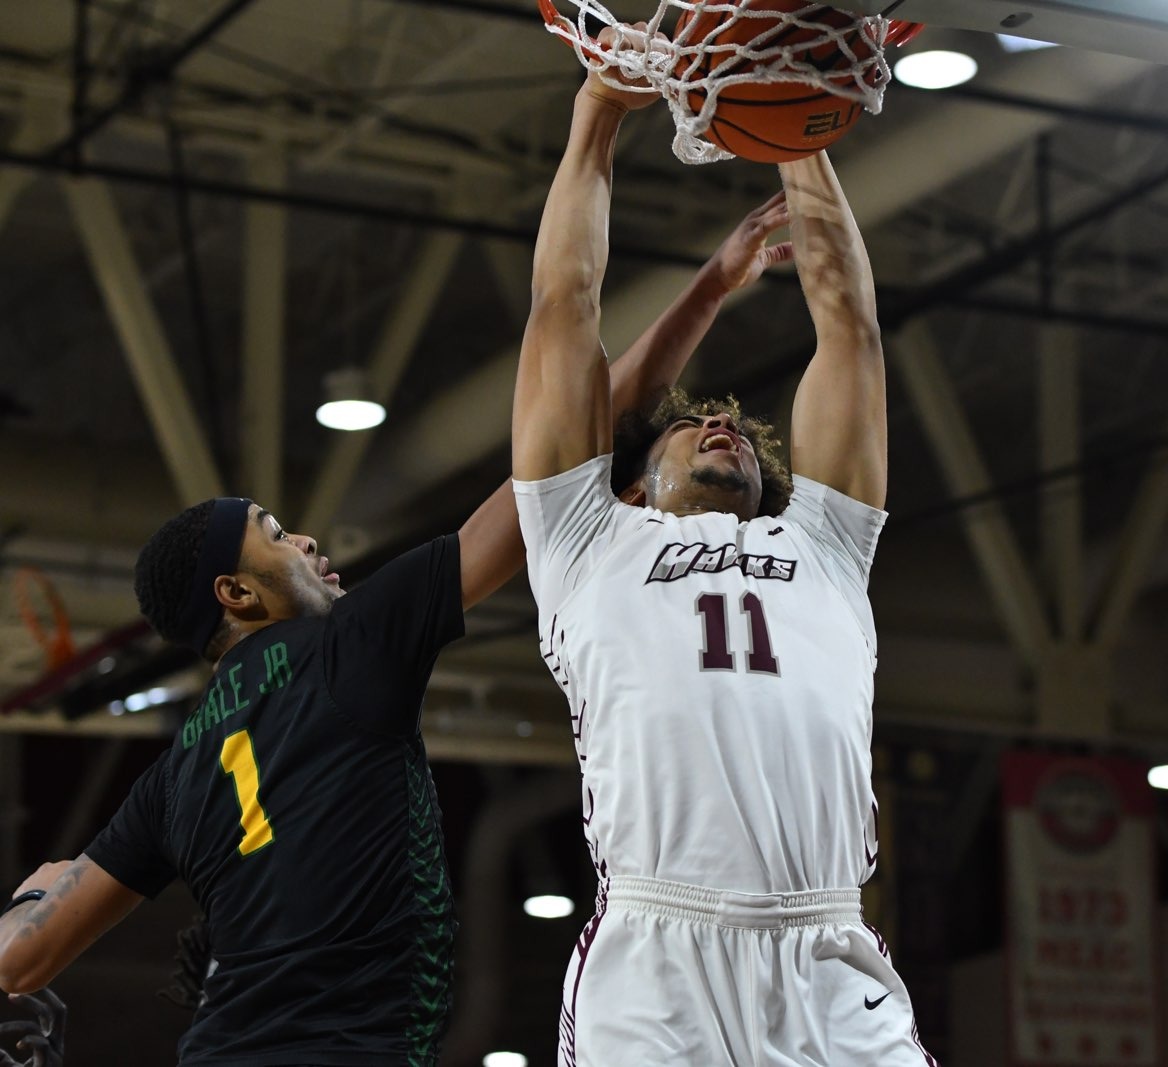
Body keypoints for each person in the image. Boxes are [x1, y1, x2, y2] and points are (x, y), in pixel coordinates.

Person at [0, 196, 798, 1065]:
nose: (305, 539)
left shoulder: (173, 774)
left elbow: (25, 956)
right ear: (234, 591)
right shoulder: (345, 646)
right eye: (274, 532)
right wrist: (709, 291)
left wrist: (35, 894)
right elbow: (568, 455)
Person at [512, 47, 936, 1067]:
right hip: (658, 950)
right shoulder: (584, 536)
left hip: (827, 943)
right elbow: (564, 305)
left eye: (739, 428)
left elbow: (850, 329)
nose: (721, 428)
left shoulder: (825, 542)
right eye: (691, 424)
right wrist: (597, 112)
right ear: (633, 475)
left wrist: (802, 131)